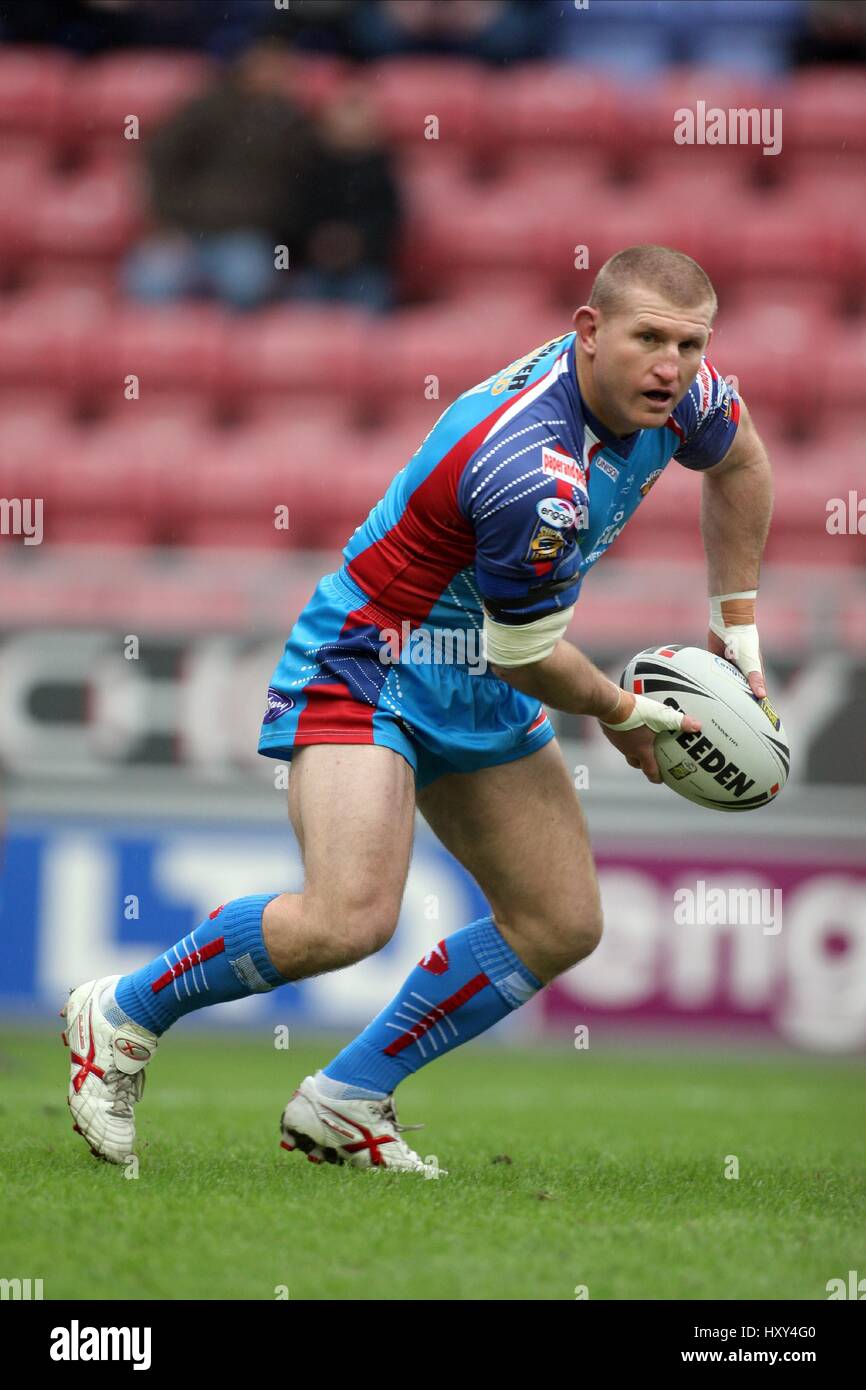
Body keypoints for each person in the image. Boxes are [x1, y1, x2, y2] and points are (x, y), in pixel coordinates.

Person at [63, 245, 771, 1173]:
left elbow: (744, 466)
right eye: (649, 340)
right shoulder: (532, 469)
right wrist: (628, 714)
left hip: (479, 665)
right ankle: (121, 1012)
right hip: (372, 653)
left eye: (690, 344)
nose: (672, 367)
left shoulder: (690, 397)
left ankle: (345, 1100)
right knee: (349, 917)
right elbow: (523, 652)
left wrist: (738, 636)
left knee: (559, 921)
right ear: (589, 334)